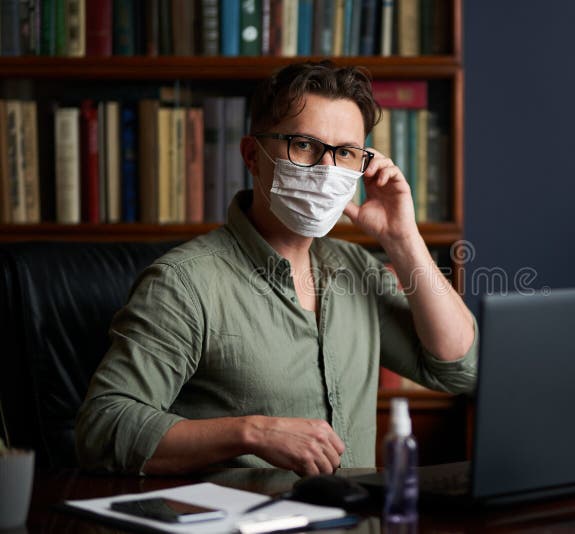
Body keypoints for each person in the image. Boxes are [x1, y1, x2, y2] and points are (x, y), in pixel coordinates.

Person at [75, 61, 477, 476]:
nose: (326, 169)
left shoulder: (355, 269)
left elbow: (459, 369)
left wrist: (403, 238)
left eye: (345, 153)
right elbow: (103, 427)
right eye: (304, 144)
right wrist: (253, 433)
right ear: (253, 155)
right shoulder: (183, 283)